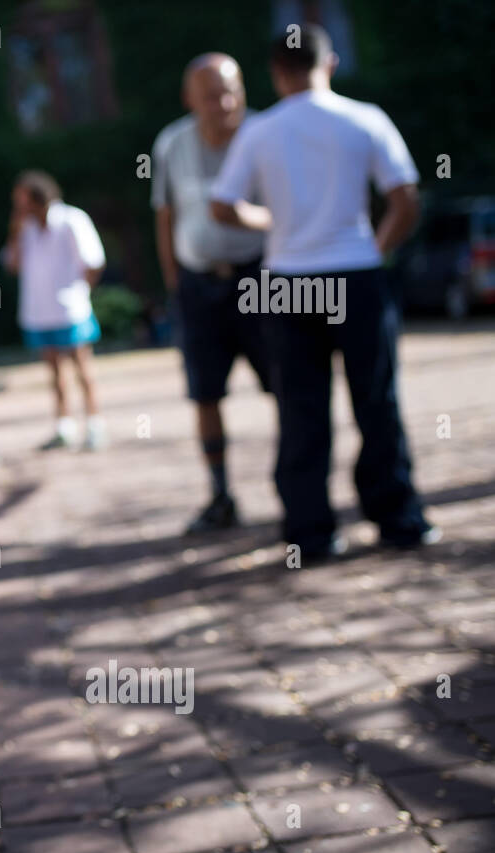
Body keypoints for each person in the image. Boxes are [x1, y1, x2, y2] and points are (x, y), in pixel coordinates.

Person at [210, 23, 438, 559]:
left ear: (275, 72)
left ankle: (310, 535)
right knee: (376, 401)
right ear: (329, 63)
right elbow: (406, 199)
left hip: (289, 281)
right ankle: (399, 520)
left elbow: (222, 205)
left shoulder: (260, 131)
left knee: (300, 408)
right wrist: (376, 247)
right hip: (357, 272)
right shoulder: (365, 119)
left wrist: (273, 221)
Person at [152, 53, 271, 533]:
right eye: (210, 95)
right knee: (205, 394)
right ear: (189, 100)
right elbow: (165, 215)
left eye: (231, 91)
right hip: (199, 286)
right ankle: (220, 495)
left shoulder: (266, 133)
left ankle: (298, 490)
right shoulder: (171, 145)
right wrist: (175, 283)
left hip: (264, 281)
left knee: (288, 383)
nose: (223, 104)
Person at [2, 170, 107, 450]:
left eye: (22, 199)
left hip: (70, 310)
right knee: (54, 373)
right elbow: (12, 265)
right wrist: (15, 232)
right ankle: (65, 426)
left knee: (83, 369)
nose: (19, 206)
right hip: (38, 312)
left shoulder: (72, 219)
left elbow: (93, 261)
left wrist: (80, 293)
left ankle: (95, 425)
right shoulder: (24, 228)